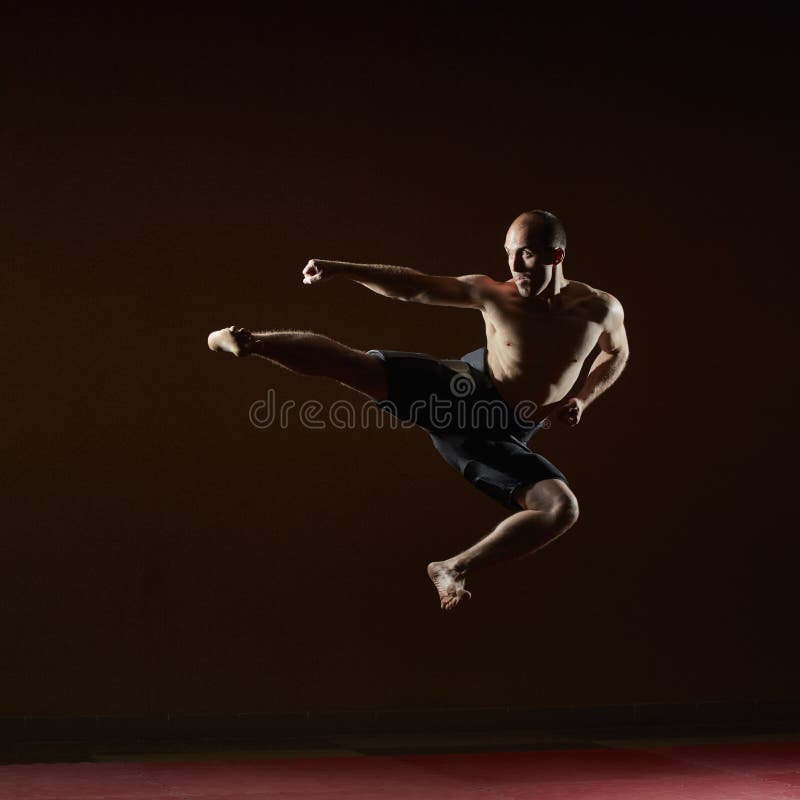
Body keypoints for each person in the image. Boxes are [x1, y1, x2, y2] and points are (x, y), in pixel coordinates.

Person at [207, 210, 629, 610]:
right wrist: (342, 268)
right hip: (463, 391)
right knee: (359, 368)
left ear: (557, 256)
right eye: (509, 252)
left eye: (528, 254)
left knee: (561, 509)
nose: (515, 265)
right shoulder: (496, 296)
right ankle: (249, 342)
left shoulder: (599, 308)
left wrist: (582, 399)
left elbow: (616, 353)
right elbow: (417, 286)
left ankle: (452, 568)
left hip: (496, 435)